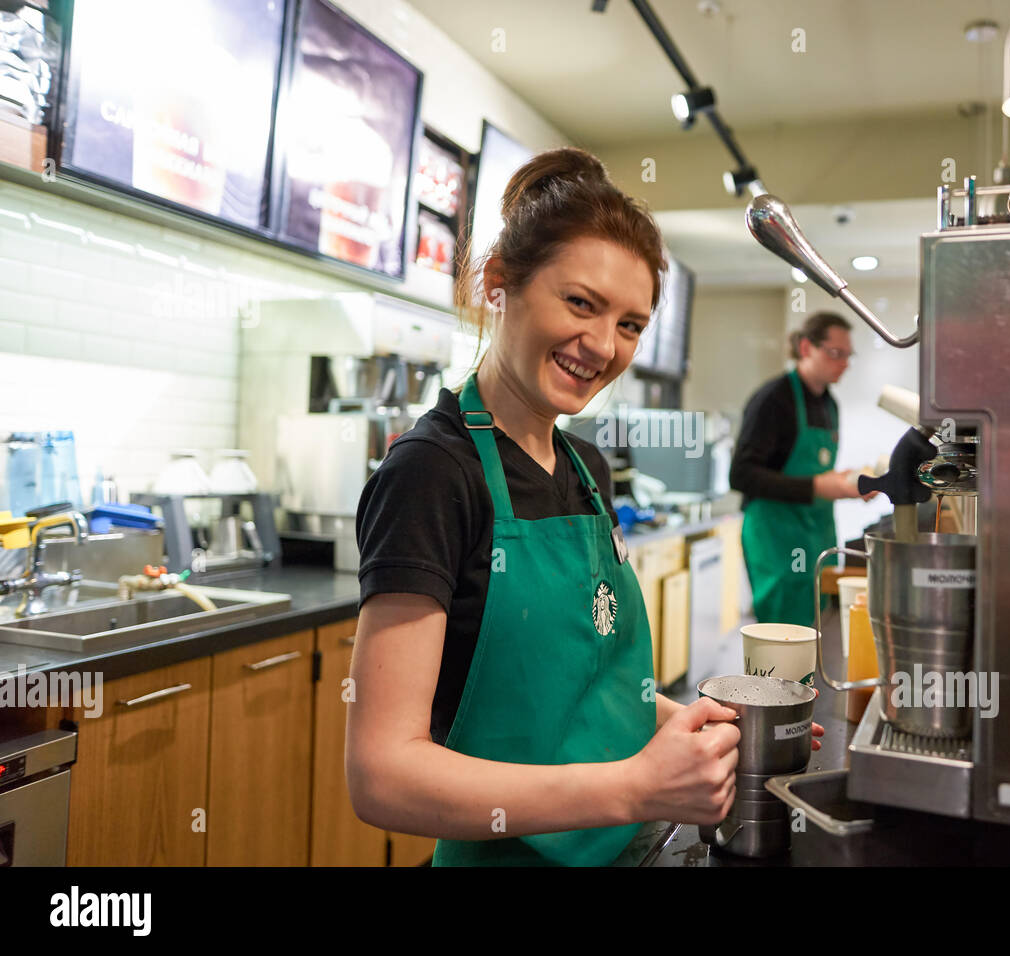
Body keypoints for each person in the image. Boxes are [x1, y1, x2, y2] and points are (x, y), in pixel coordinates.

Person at [345, 147, 821, 867]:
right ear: (499, 283)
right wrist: (633, 788)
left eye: (630, 324)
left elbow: (589, 691)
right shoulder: (432, 475)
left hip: (632, 848)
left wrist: (692, 724)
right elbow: (382, 776)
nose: (602, 346)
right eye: (580, 303)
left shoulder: (585, 466)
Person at [731, 312, 875, 628]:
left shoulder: (829, 405)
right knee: (780, 638)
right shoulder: (773, 399)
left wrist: (848, 483)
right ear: (807, 347)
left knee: (813, 633)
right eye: (836, 354)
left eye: (848, 356)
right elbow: (740, 474)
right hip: (777, 538)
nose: (844, 364)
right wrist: (816, 487)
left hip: (816, 535)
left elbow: (819, 472)